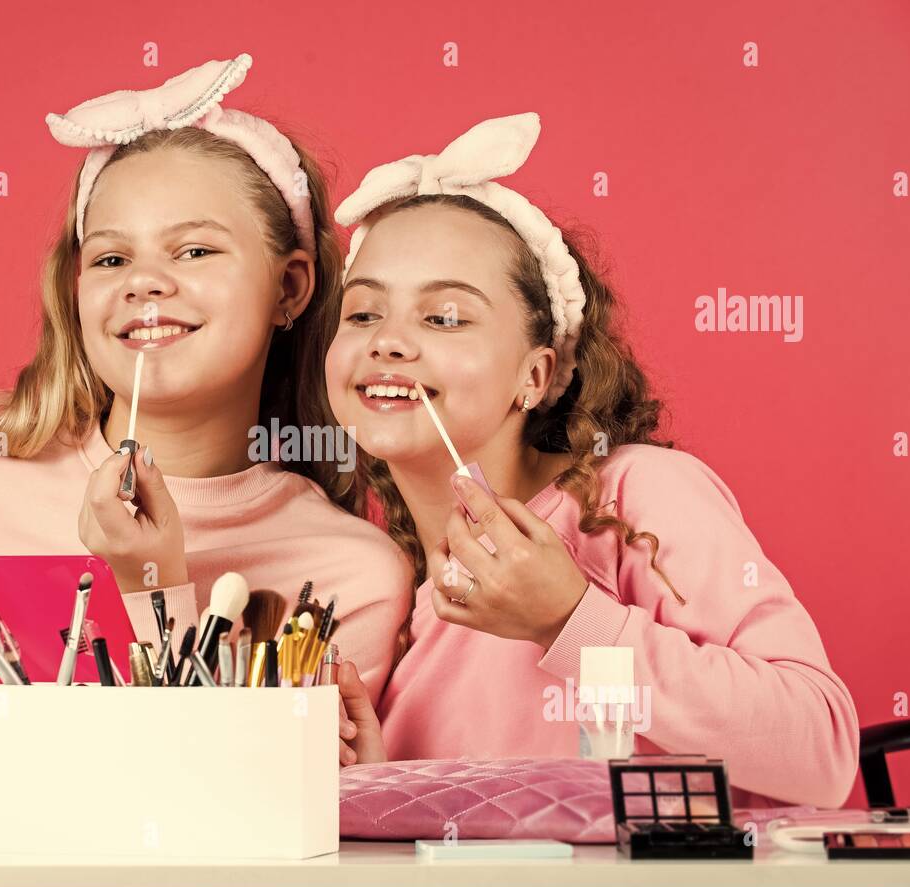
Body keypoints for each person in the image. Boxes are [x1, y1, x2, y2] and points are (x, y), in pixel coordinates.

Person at [0, 54, 411, 802]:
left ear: (289, 287)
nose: (143, 282)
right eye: (110, 257)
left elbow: (212, 827)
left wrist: (154, 586)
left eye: (195, 250)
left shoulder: (351, 574)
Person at [325, 114, 858, 808]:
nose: (389, 341)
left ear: (537, 375)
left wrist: (570, 620)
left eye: (445, 317)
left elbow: (820, 753)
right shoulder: (386, 591)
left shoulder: (633, 500)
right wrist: (377, 779)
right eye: (363, 314)